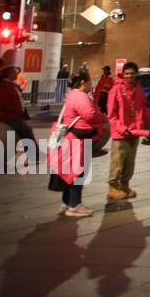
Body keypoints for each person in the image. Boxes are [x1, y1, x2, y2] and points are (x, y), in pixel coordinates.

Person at [47, 74, 106, 217]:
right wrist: (102, 116)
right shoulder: (81, 96)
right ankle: (75, 206)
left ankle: (66, 203)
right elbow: (90, 115)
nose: (90, 84)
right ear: (83, 82)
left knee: (70, 173)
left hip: (71, 138)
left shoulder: (72, 94)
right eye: (89, 81)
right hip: (78, 140)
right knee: (77, 173)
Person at [106, 61, 150, 201]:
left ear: (136, 74)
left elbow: (143, 109)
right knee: (117, 162)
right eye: (127, 74)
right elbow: (111, 115)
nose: (129, 76)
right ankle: (113, 188)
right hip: (121, 133)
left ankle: (124, 185)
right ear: (123, 74)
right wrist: (121, 128)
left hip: (135, 132)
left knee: (129, 163)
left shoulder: (139, 90)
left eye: (132, 73)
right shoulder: (115, 90)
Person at [0, 65, 37, 161]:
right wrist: (16, 111)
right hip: (8, 116)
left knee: (25, 129)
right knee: (26, 130)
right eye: (13, 71)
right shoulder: (4, 85)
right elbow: (3, 102)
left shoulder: (9, 84)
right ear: (8, 73)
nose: (16, 73)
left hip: (13, 115)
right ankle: (33, 153)